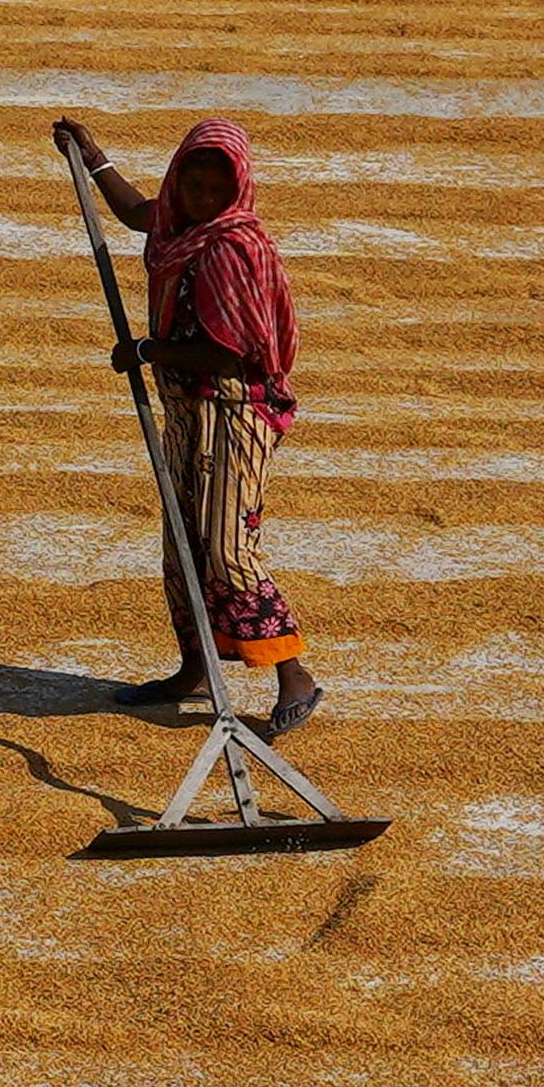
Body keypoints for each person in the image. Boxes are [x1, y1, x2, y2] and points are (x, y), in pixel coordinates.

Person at [49, 113, 321, 742]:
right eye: (192, 187)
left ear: (238, 190)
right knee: (181, 544)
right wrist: (93, 159)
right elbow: (139, 213)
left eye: (215, 192)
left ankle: (294, 675)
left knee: (228, 547)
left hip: (233, 412)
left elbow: (227, 351)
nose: (202, 200)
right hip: (186, 411)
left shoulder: (234, 247)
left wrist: (146, 352)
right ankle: (194, 668)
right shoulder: (179, 226)